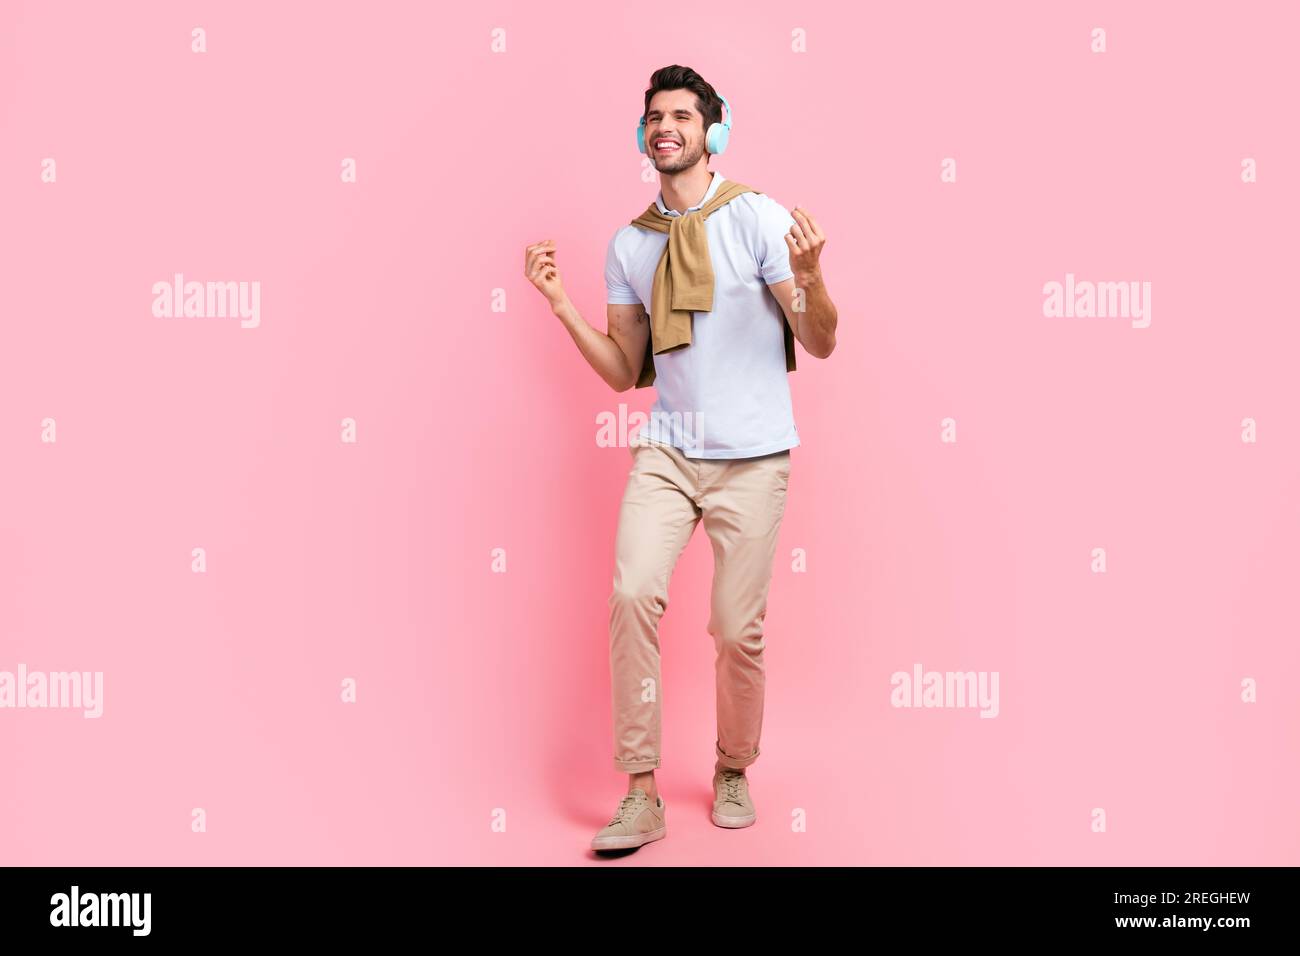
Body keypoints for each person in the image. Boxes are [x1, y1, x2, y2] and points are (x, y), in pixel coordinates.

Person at [524, 64, 839, 853]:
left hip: (754, 457)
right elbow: (626, 371)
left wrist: (810, 276)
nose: (667, 127)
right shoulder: (631, 245)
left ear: (713, 131)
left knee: (737, 630)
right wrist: (561, 305)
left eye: (683, 117)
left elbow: (823, 341)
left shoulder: (759, 220)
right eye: (655, 117)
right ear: (643, 136)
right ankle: (640, 793)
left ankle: (733, 767)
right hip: (669, 452)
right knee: (631, 595)